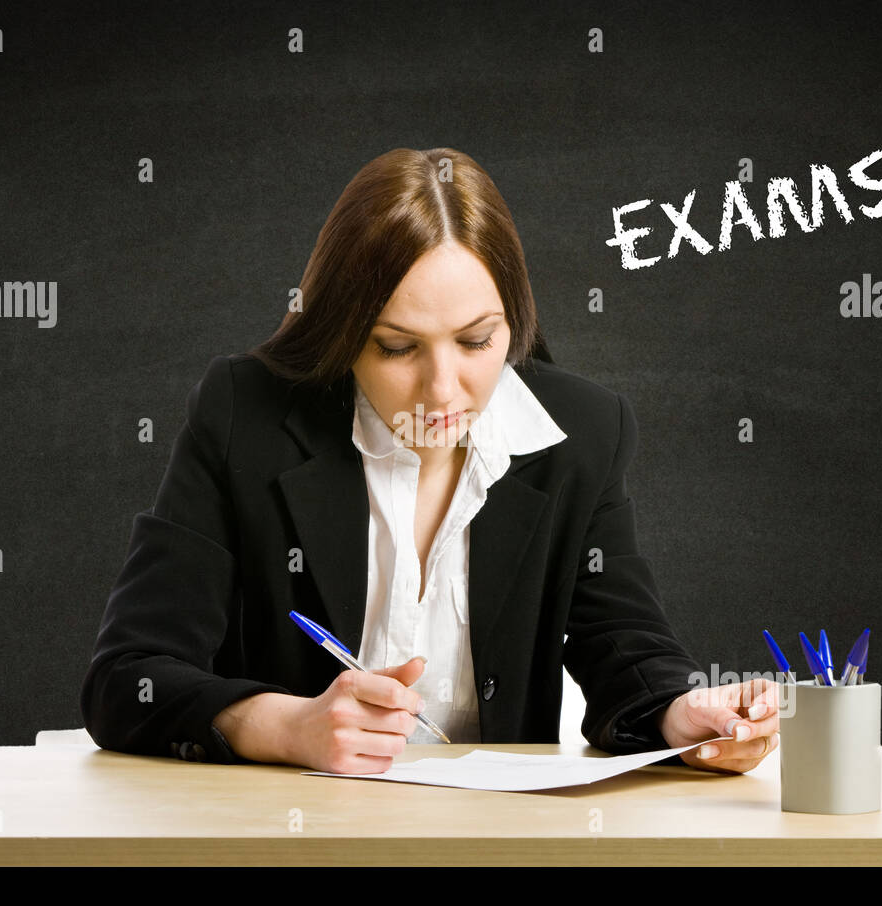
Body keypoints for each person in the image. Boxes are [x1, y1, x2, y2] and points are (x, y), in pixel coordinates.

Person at [80, 147, 779, 776]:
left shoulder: (581, 433)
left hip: (499, 846)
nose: (442, 390)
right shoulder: (244, 415)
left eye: (476, 342)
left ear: (513, 322)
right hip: (291, 840)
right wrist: (286, 726)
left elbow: (622, 644)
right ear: (343, 336)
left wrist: (680, 711)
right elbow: (127, 678)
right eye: (396, 347)